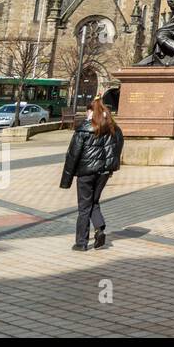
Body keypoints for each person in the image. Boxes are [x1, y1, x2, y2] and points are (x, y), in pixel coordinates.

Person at [60, 98, 124, 251]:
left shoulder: (83, 129)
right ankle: (99, 229)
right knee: (94, 202)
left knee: (84, 207)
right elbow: (117, 148)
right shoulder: (114, 129)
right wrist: (110, 168)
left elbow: (72, 155)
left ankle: (81, 242)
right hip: (103, 173)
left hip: (86, 173)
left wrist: (66, 180)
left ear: (90, 112)